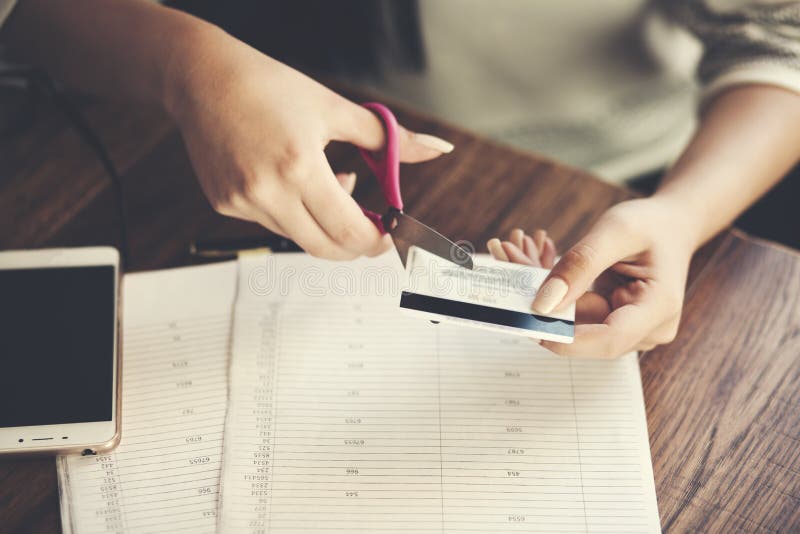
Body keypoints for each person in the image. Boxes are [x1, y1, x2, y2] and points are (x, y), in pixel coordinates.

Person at [1, 0, 799, 358]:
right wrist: (188, 66)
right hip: (300, 115)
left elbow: (783, 36)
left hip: (642, 162)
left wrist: (681, 216)